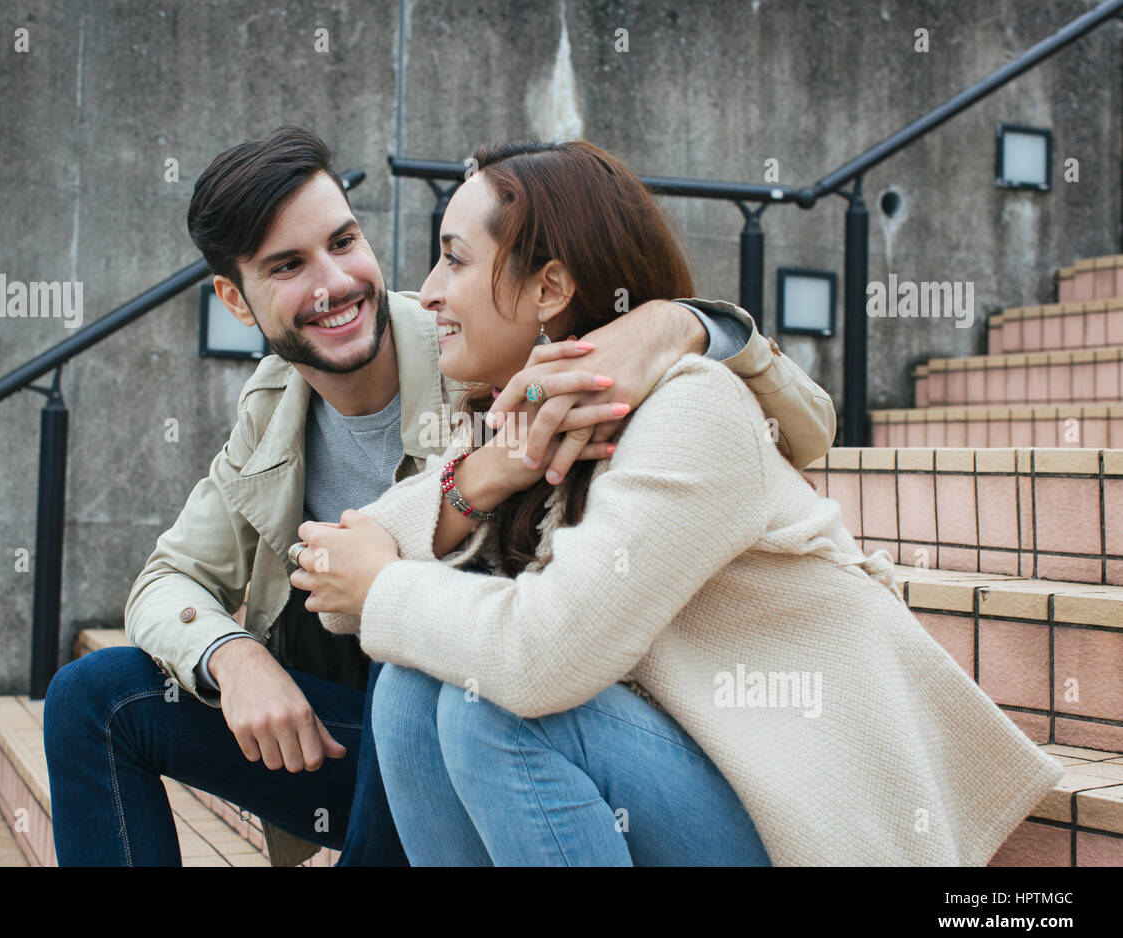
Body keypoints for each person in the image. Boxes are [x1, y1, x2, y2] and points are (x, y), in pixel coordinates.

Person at [42, 127, 838, 867]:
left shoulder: (480, 347)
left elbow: (804, 426)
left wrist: (682, 324)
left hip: (516, 717)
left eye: (344, 242)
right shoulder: (276, 405)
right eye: (287, 267)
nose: (335, 283)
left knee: (445, 681)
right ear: (235, 301)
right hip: (400, 727)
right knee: (95, 698)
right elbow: (172, 578)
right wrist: (232, 656)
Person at [291, 139, 1065, 866]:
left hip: (808, 827)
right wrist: (486, 472)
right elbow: (343, 564)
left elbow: (540, 659)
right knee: (411, 685)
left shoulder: (692, 412)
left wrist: (386, 587)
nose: (425, 293)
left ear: (551, 287)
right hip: (687, 777)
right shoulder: (518, 422)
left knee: (489, 709)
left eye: (454, 260)